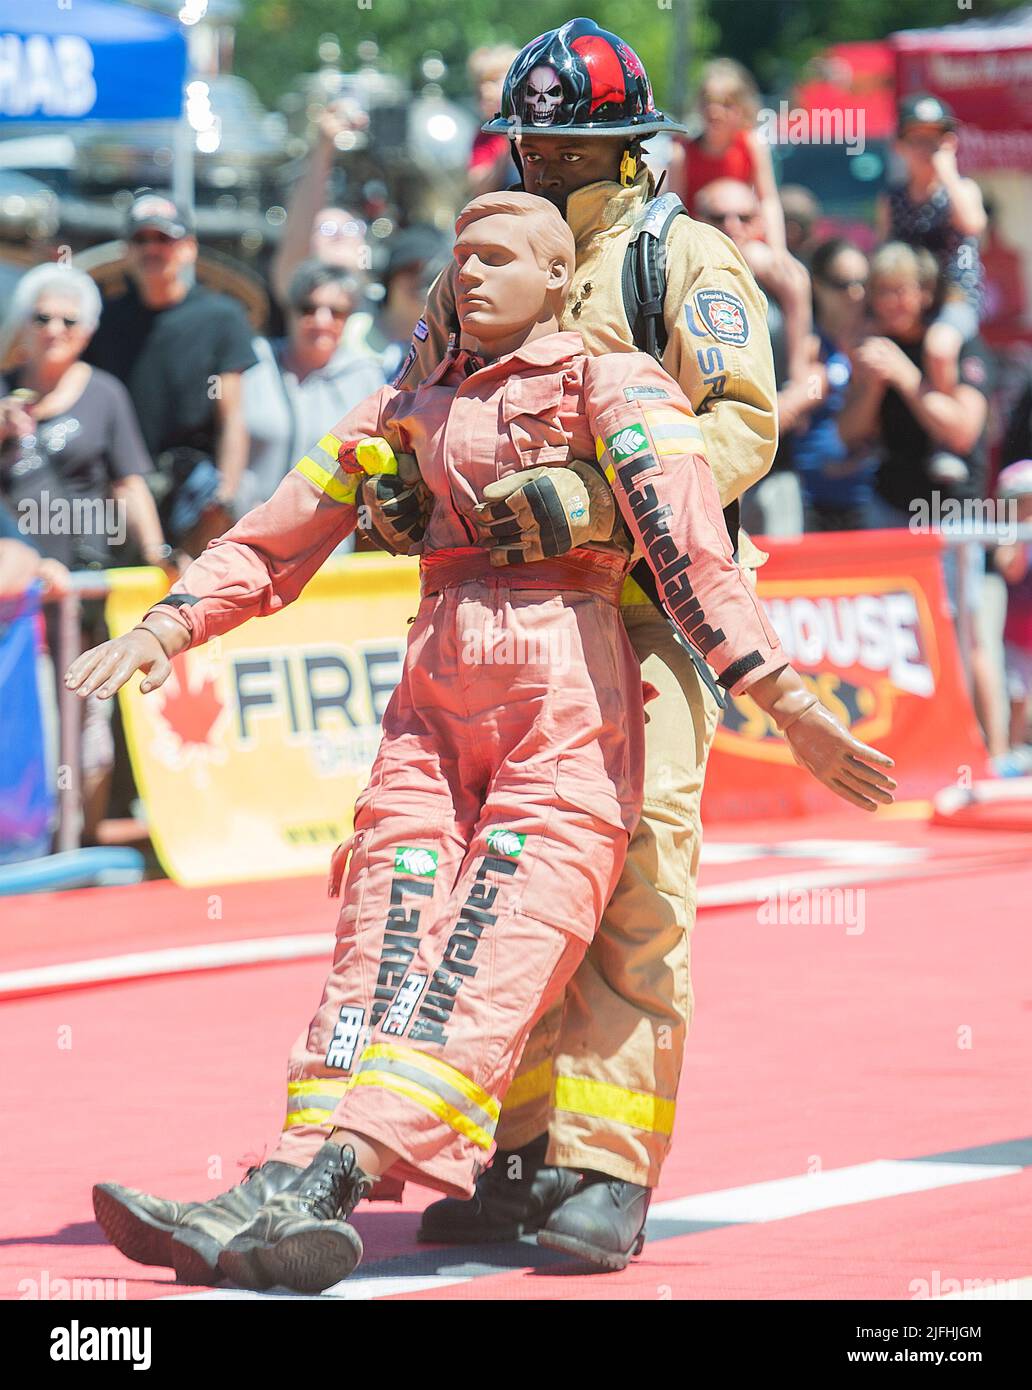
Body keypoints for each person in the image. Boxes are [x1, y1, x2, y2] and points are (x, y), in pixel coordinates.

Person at [77, 191, 895, 1293]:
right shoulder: (408, 403)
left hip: (565, 716)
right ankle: (279, 1174)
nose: (470, 275)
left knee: (491, 947)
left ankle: (331, 1187)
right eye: (461, 256)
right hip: (430, 710)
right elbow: (283, 529)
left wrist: (787, 701)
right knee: (381, 932)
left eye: (501, 257)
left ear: (560, 277)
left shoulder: (618, 383)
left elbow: (692, 550)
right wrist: (169, 622)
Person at [361, 19, 820, 1267]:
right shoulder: (490, 256)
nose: (550, 167)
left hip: (650, 622)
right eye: (537, 145)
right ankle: (505, 1153)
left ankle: (604, 1169)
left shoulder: (685, 262)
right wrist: (392, 489)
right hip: (508, 634)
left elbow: (740, 425)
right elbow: (410, 410)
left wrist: (597, 497)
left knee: (636, 890)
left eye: (577, 149)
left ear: (634, 152)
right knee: (502, 887)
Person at [0, 263, 174, 842]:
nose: (54, 329)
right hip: (18, 603)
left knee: (91, 730)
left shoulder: (104, 394)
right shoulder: (2, 393)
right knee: (35, 725)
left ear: (87, 330)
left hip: (86, 593)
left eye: (69, 319)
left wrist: (156, 552)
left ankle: (81, 842)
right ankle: (38, 843)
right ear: (22, 325)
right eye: (42, 317)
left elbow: (128, 483)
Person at [838, 241, 1005, 760]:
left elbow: (961, 431)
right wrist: (870, 384)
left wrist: (908, 379)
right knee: (899, 637)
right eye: (883, 293)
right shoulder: (876, 348)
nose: (892, 304)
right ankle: (919, 752)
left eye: (901, 292)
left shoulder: (959, 349)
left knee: (966, 635)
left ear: (925, 294)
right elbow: (851, 435)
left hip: (952, 510)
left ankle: (993, 755)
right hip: (891, 508)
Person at [84, 191, 258, 556]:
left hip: (196, 493)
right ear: (126, 250)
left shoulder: (220, 317)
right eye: (141, 239)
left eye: (164, 238)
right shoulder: (102, 320)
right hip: (121, 490)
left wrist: (223, 498)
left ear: (188, 247)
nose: (152, 249)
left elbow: (232, 418)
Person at [694, 178, 815, 537]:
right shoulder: (676, 281)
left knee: (784, 580)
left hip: (775, 465)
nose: (732, 228)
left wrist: (781, 409)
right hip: (708, 465)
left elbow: (811, 379)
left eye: (744, 218)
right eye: (719, 217)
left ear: (760, 223)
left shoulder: (784, 285)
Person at [242, 260, 386, 517]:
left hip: (328, 543)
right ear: (290, 311)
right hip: (246, 530)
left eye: (336, 311)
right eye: (308, 309)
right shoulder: (254, 362)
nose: (321, 320)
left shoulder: (366, 376)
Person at [876, 94, 986, 396]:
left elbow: (973, 224)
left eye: (935, 139)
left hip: (956, 298)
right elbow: (883, 255)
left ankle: (947, 425)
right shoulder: (892, 199)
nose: (927, 149)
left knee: (939, 349)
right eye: (917, 140)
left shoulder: (962, 189)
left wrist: (947, 169)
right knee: (861, 341)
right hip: (908, 301)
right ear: (899, 146)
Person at [794, 239, 877, 532]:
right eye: (843, 284)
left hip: (866, 495)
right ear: (818, 285)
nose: (856, 294)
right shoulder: (808, 344)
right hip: (811, 495)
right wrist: (817, 385)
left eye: (863, 282)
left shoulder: (878, 343)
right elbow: (805, 399)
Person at [668, 58, 787, 253]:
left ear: (742, 108)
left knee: (776, 269)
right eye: (708, 102)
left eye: (726, 104)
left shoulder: (751, 145)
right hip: (699, 244)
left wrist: (779, 251)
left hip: (744, 240)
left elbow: (768, 201)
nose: (715, 112)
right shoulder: (682, 153)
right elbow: (675, 209)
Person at [365, 225, 453, 383]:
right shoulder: (354, 329)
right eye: (411, 269)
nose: (420, 279)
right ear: (390, 275)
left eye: (429, 271)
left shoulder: (447, 344)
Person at [992, 460, 1032, 764]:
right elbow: (1011, 570)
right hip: (1018, 635)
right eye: (1020, 503)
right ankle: (1013, 752)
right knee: (1017, 695)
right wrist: (1021, 535)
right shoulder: (1010, 539)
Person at [467, 44, 520, 196]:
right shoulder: (486, 136)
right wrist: (509, 146)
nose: (485, 91)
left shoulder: (538, 128)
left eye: (494, 81)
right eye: (481, 84)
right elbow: (478, 188)